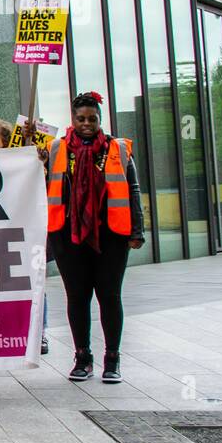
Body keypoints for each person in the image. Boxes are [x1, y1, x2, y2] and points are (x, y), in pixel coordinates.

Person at [48, 92, 144, 384]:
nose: (87, 124)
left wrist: (136, 230)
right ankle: (82, 358)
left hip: (111, 236)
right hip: (68, 235)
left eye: (92, 118)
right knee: (77, 297)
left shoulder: (117, 149)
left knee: (109, 297)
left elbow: (133, 189)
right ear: (72, 120)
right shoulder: (56, 149)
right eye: (81, 119)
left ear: (100, 119)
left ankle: (112, 360)